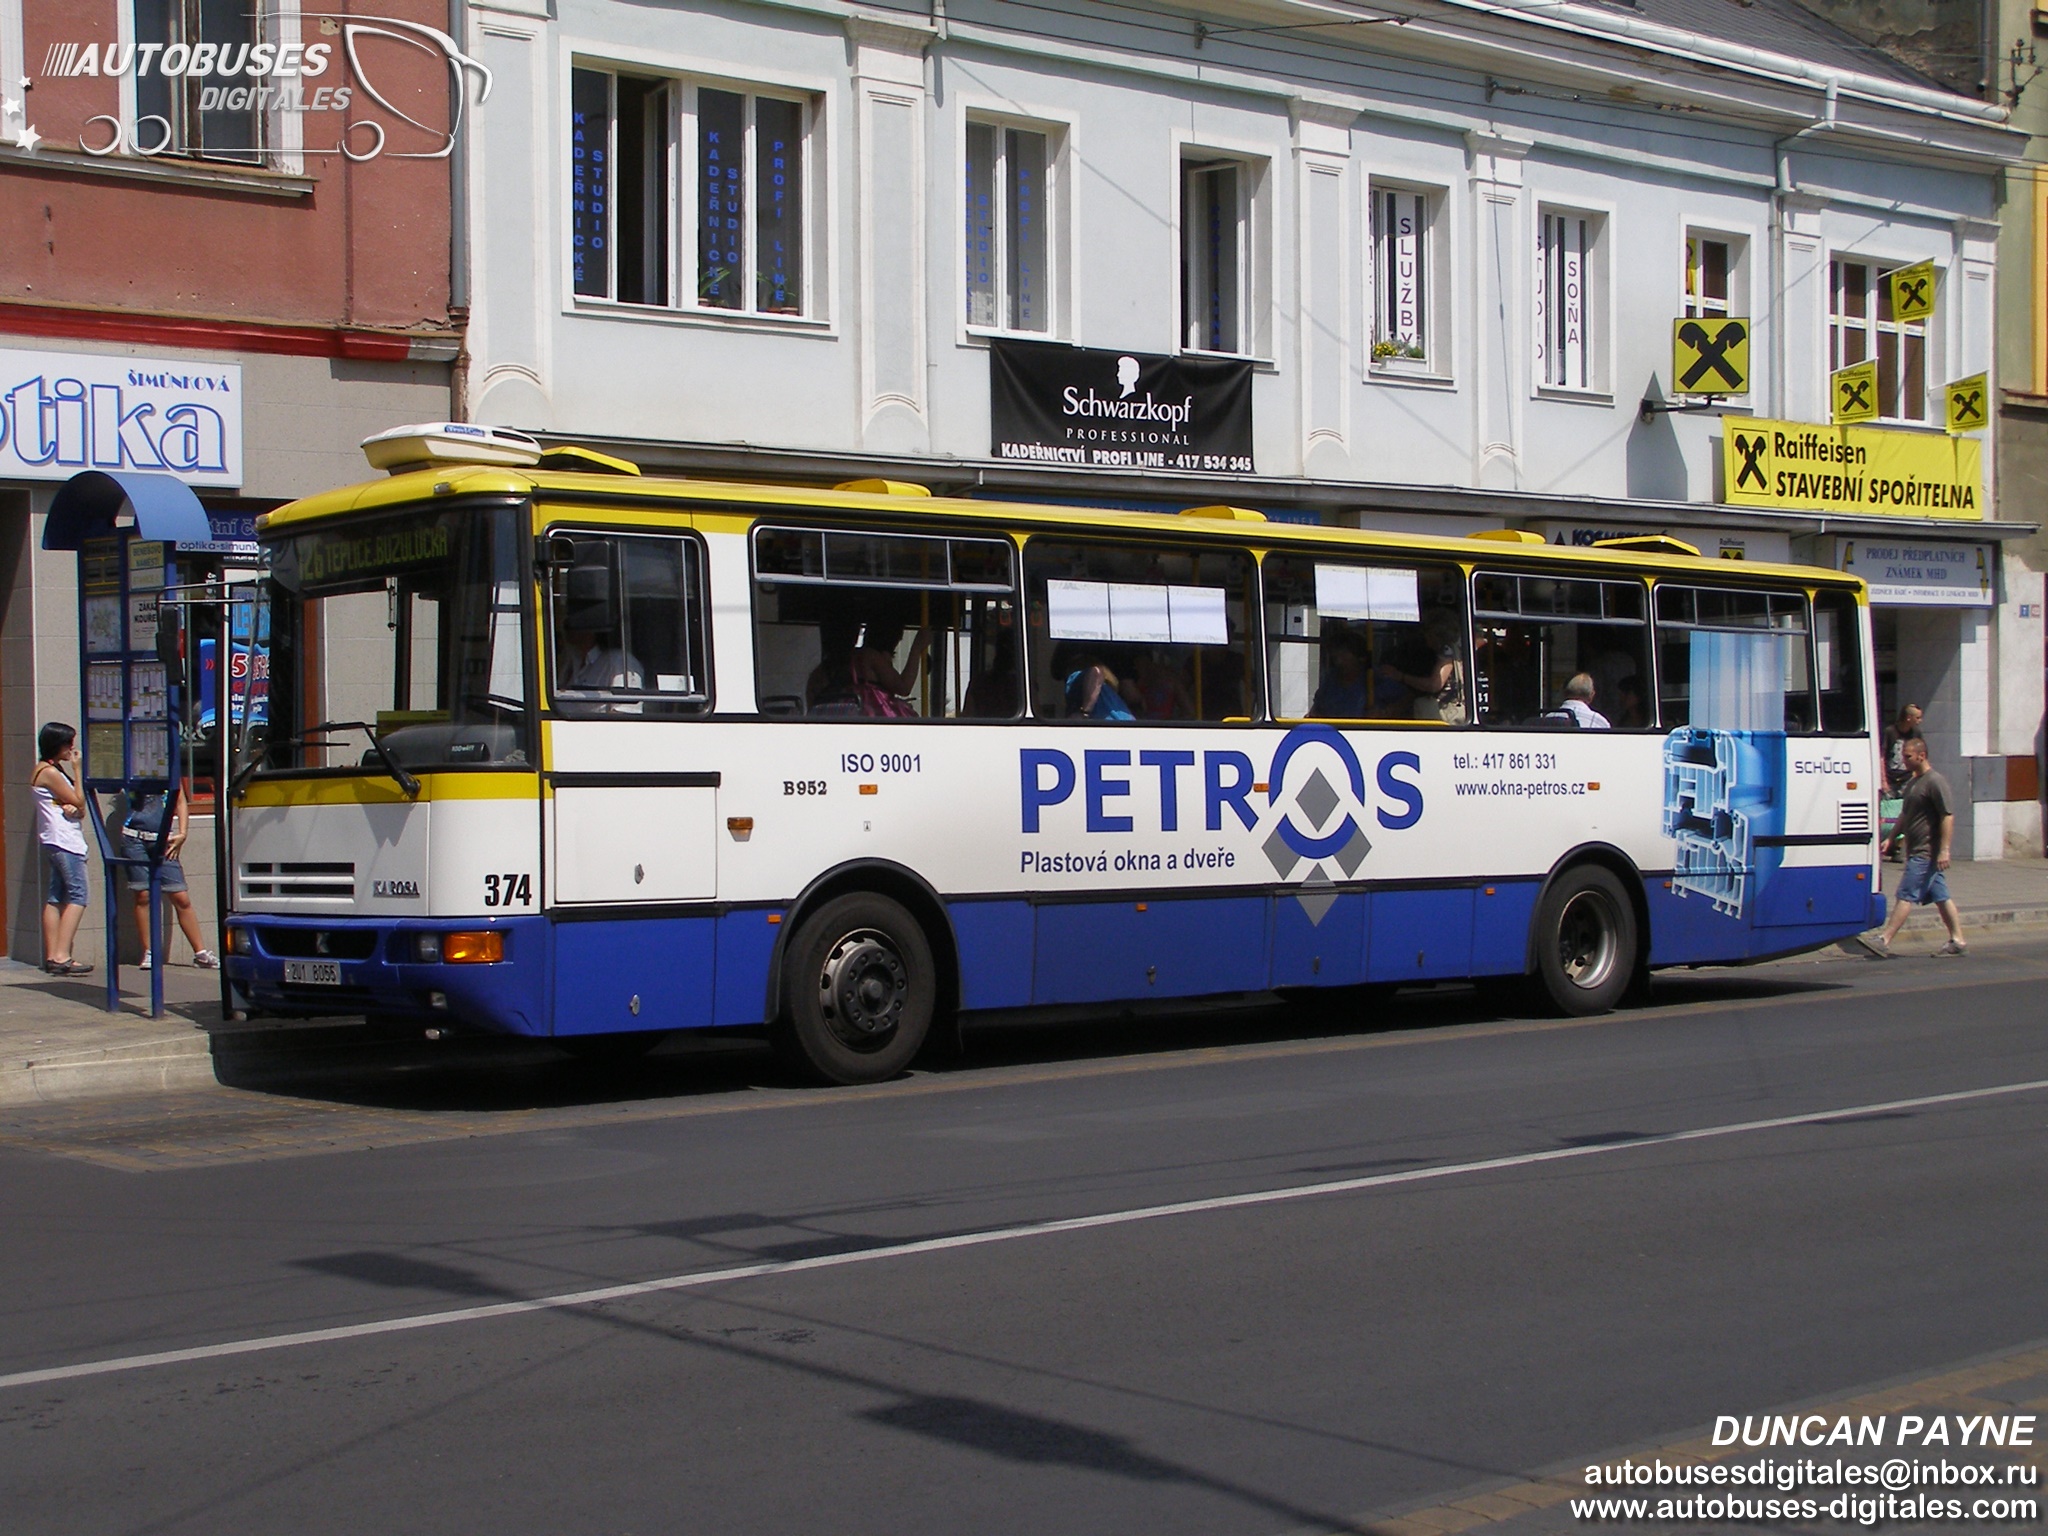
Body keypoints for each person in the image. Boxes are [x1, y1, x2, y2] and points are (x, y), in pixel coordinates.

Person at [1861, 736, 1965, 958]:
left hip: (1926, 853)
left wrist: (1944, 849)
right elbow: (1905, 814)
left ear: (1921, 755)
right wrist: (1891, 838)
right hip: (1917, 850)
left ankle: (1884, 939)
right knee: (1941, 896)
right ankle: (1958, 940)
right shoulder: (1914, 783)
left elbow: (1947, 816)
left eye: (1908, 757)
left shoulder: (1935, 782)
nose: (1904, 761)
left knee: (1906, 894)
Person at [119, 785, 218, 971]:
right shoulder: (132, 769)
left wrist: (182, 832)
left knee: (180, 896)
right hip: (134, 839)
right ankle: (149, 951)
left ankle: (201, 952)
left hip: (164, 839)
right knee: (143, 895)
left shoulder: (165, 767)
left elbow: (180, 799)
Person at [32, 722, 92, 976]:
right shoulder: (49, 772)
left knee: (56, 896)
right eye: (68, 744)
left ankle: (53, 954)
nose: (72, 749)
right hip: (64, 841)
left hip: (56, 839)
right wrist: (77, 771)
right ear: (56, 745)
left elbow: (76, 807)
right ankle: (60, 954)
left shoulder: (51, 770)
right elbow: (79, 799)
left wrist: (75, 808)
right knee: (79, 895)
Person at [1309, 629, 1371, 719]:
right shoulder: (1330, 680)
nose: (1338, 661)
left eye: (1343, 655)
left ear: (1360, 658)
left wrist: (1384, 712)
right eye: (1335, 656)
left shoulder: (1373, 678)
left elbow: (1397, 702)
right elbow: (1317, 709)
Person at [1064, 654, 1135, 720]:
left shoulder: (1077, 676)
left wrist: (1084, 713)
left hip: (1107, 726)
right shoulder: (1109, 692)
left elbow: (1096, 671)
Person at [1883, 704, 1923, 794]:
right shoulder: (1890, 732)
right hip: (1891, 778)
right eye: (1917, 718)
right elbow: (1882, 756)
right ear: (1909, 718)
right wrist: (1883, 780)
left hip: (1908, 778)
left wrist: (1916, 774)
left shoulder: (1916, 733)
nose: (1920, 721)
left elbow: (1921, 755)